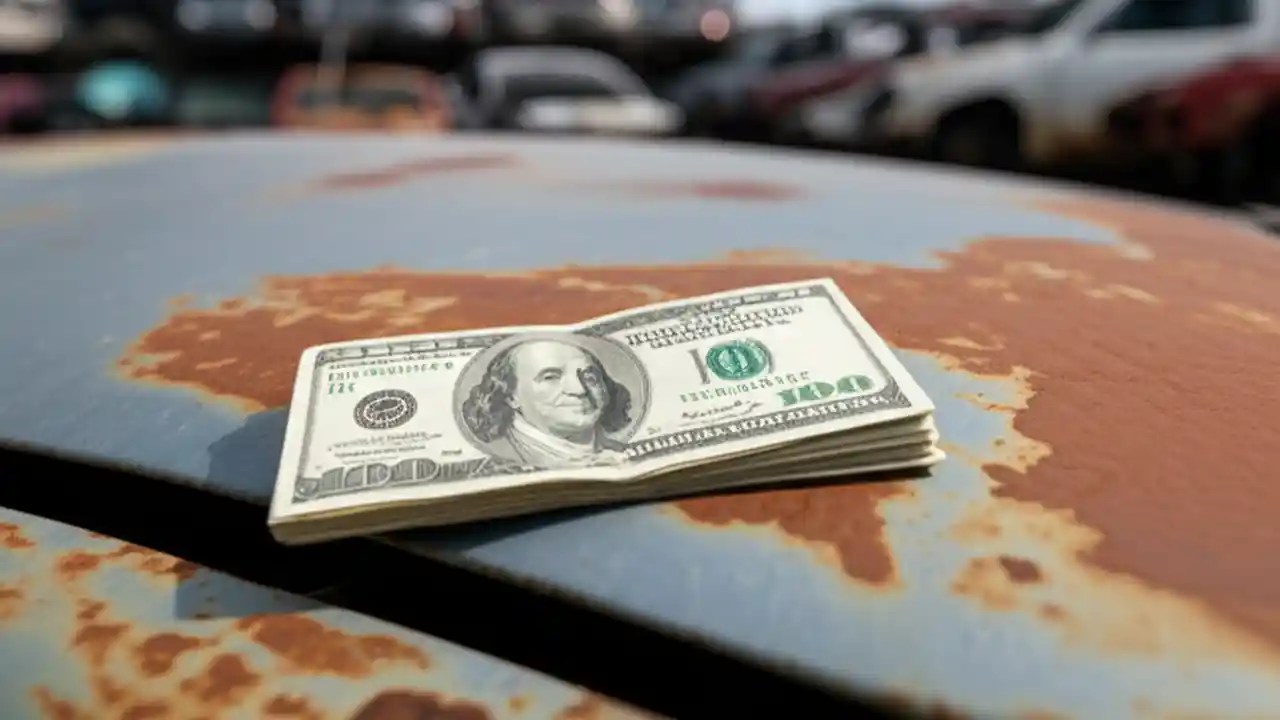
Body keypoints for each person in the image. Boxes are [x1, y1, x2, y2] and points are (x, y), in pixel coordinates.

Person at [462, 337, 632, 469]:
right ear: (512, 396)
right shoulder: (505, 456)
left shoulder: (618, 448)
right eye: (550, 377)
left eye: (589, 376)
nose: (579, 390)